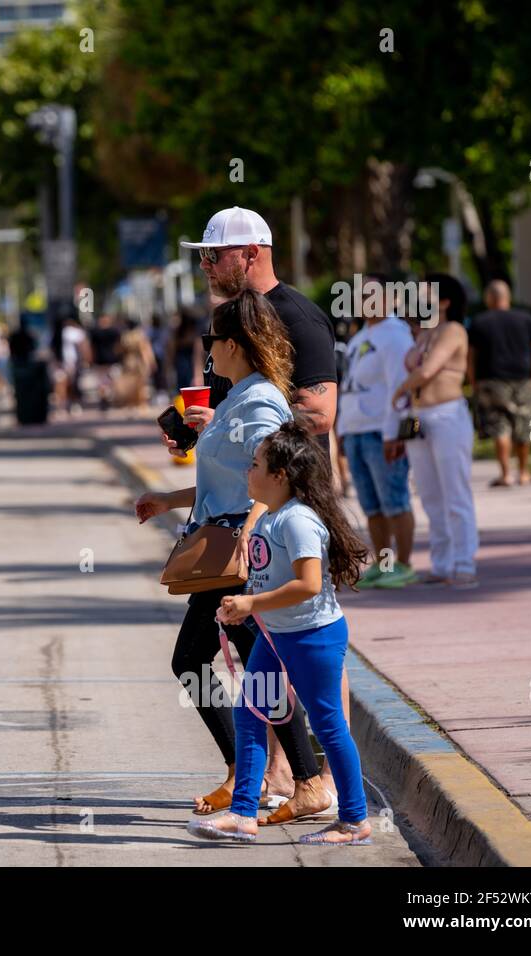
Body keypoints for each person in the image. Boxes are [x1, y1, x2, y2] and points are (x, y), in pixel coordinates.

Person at [135, 291, 329, 822]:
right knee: (257, 664)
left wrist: (247, 535)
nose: (207, 351)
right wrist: (167, 499)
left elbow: (272, 479)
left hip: (238, 554)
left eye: (213, 340)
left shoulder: (261, 399)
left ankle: (282, 779)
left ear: (236, 344)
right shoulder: (240, 397)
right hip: (222, 543)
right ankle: (289, 779)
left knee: (209, 660)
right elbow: (226, 480)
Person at [188, 421, 372, 845]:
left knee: (328, 726)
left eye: (254, 465)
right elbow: (272, 576)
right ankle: (243, 814)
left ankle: (355, 820)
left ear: (279, 476)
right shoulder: (272, 516)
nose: (247, 472)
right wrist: (243, 605)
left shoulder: (298, 521)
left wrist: (252, 604)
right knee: (250, 714)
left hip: (313, 637)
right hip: (277, 636)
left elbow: (308, 584)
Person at [179, 206, 338, 444]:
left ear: (251, 253)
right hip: (234, 478)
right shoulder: (227, 317)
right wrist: (193, 432)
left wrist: (225, 424)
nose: (203, 265)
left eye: (212, 254)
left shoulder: (300, 319)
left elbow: (319, 415)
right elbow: (224, 404)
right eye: (202, 255)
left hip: (284, 478)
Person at [391, 274, 479, 589]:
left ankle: (464, 562)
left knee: (455, 493)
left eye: (426, 293)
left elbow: (428, 371)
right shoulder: (424, 332)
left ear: (445, 301)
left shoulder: (453, 330)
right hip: (419, 417)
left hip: (447, 414)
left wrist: (400, 388)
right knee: (429, 494)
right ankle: (442, 563)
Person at [336, 274, 417, 588]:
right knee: (372, 507)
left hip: (380, 433)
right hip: (356, 431)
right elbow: (349, 387)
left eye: (371, 294)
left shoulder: (395, 335)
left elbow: (401, 387)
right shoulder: (360, 337)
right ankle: (384, 565)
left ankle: (406, 563)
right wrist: (343, 429)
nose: (363, 300)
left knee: (394, 501)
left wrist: (393, 433)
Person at [468, 279, 531, 487]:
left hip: (490, 380)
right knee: (524, 423)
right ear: (507, 297)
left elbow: (471, 355)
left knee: (499, 426)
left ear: (489, 298)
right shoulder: (526, 318)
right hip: (522, 379)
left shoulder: (479, 321)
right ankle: (524, 472)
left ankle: (505, 474)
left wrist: (473, 380)